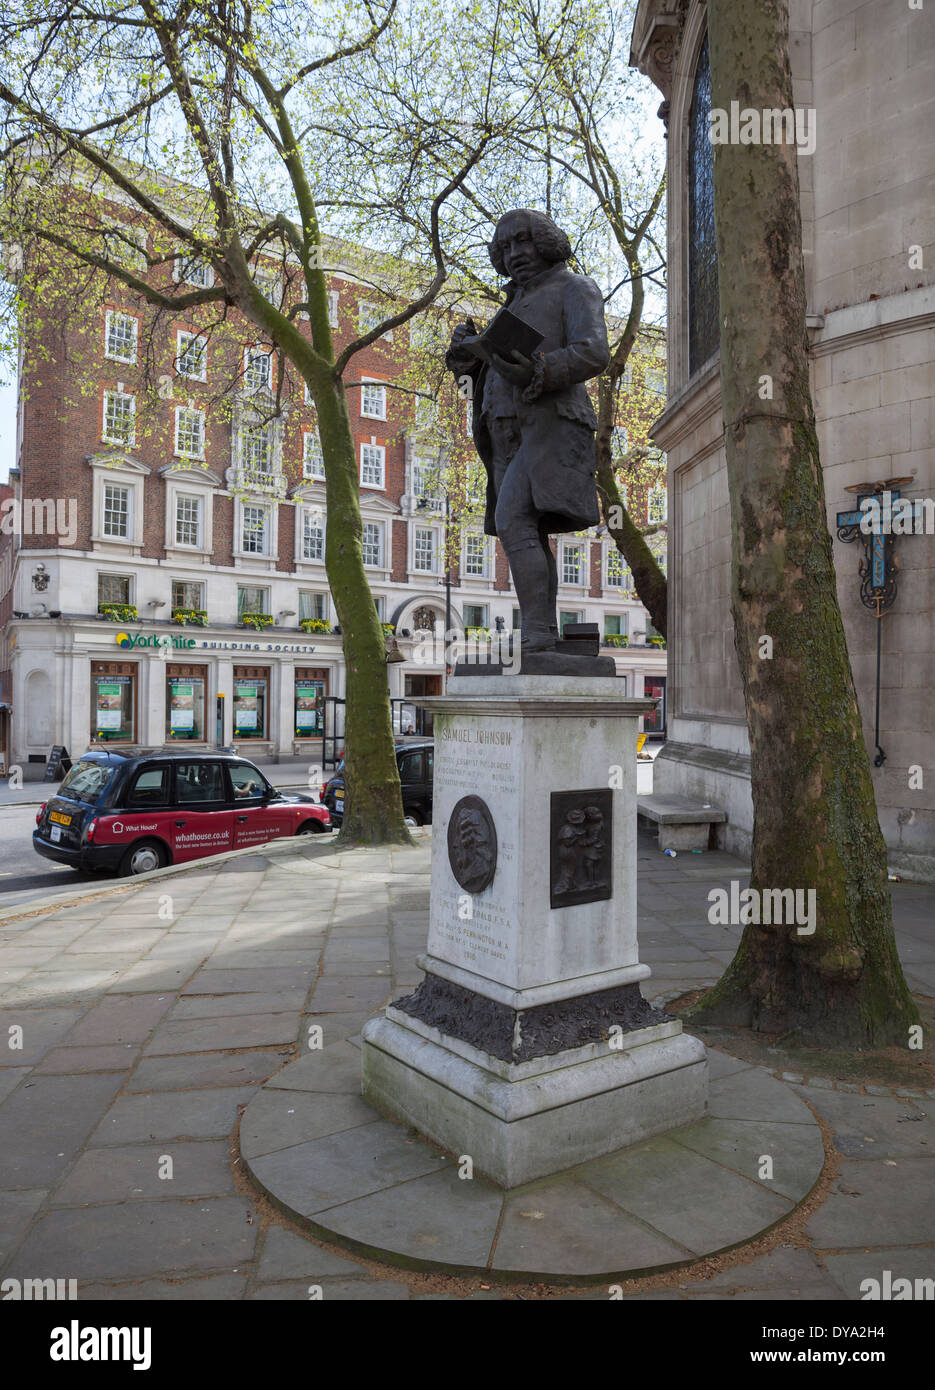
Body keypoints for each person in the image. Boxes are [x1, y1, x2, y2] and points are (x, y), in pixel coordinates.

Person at [446, 209, 610, 652]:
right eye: (506, 247)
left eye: (524, 242)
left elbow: (594, 352)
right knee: (528, 529)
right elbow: (495, 369)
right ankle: (544, 632)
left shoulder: (574, 288)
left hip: (551, 428)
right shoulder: (512, 303)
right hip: (502, 433)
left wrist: (541, 367)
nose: (515, 253)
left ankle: (537, 634)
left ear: (546, 243)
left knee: (513, 519)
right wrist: (469, 358)